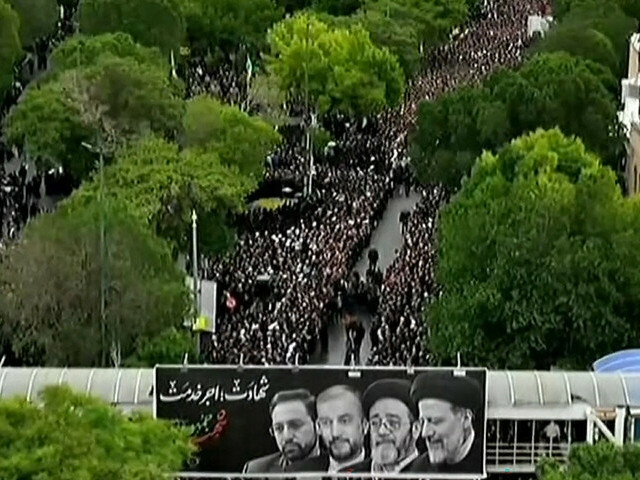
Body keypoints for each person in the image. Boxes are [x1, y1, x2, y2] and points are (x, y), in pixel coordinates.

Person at [408, 371, 484, 474]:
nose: (425, 433)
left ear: (466, 419)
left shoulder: (486, 462)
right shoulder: (418, 469)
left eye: (435, 421)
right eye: (423, 422)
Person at [286, 385, 368, 473]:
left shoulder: (379, 471)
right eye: (326, 423)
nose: (335, 433)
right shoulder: (297, 472)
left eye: (344, 421)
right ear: (318, 427)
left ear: (364, 426)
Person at [346, 379, 421, 474]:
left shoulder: (431, 473)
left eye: (393, 423)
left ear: (416, 429)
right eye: (375, 423)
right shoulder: (348, 474)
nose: (382, 431)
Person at [243, 389, 319, 473]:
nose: (287, 436)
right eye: (279, 428)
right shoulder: (256, 470)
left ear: (317, 425)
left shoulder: (333, 468)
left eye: (295, 425)